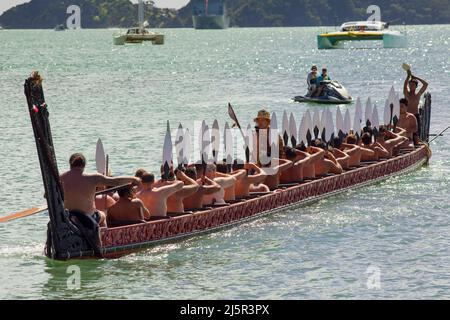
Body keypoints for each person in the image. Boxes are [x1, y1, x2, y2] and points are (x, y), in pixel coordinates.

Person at [60, 153, 140, 228]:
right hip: (88, 216)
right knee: (102, 215)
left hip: (67, 216)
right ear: (84, 165)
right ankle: (102, 240)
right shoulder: (92, 178)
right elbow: (115, 182)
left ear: (70, 164)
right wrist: (133, 179)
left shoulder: (60, 178)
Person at [403, 72, 428, 141]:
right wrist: (408, 77)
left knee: (416, 132)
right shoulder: (407, 94)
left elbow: (425, 84)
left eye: (413, 85)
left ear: (416, 86)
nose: (411, 86)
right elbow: (405, 86)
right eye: (410, 85)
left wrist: (416, 77)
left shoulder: (418, 94)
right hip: (407, 115)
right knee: (406, 132)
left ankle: (416, 143)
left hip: (416, 115)